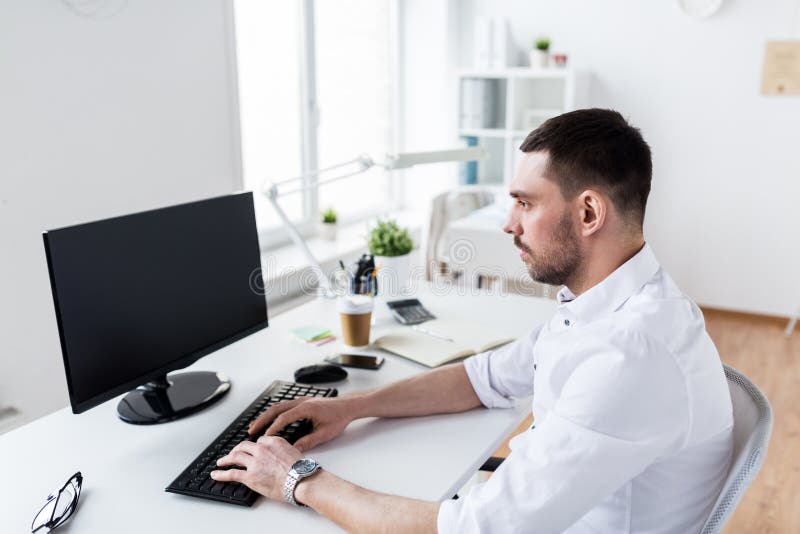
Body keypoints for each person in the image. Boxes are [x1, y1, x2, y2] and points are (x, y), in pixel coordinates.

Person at [211, 109, 734, 533]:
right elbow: (483, 377)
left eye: (525, 204)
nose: (509, 224)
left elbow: (474, 529)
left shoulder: (629, 353)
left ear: (589, 213)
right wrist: (354, 407)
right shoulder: (611, 301)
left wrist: (296, 478)